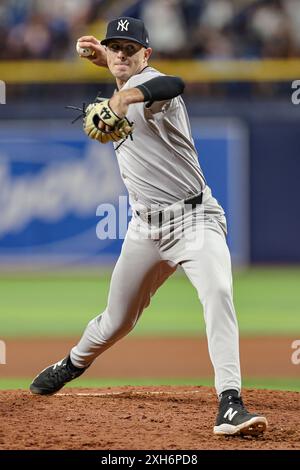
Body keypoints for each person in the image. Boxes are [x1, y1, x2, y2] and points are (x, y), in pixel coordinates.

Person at [30, 16, 268, 437]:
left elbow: (172, 83)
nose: (121, 54)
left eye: (130, 48)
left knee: (218, 292)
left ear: (147, 54)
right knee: (117, 321)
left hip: (196, 220)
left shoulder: (153, 85)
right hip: (144, 228)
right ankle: (73, 362)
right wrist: (103, 58)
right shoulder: (121, 72)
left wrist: (121, 100)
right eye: (114, 46)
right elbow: (121, 66)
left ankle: (230, 402)